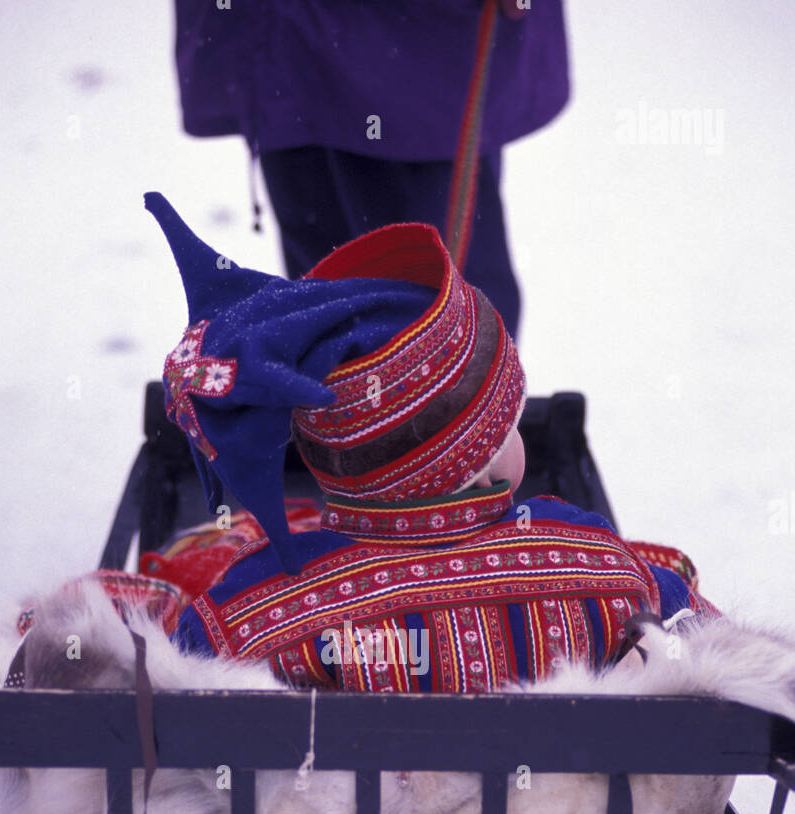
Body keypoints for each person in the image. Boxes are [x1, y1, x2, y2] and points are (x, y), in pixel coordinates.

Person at [140, 192, 716, 693]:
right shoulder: (605, 571)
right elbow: (707, 642)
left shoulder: (250, 615)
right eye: (508, 424)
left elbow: (171, 684)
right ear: (483, 458)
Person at [171, 0, 571, 337]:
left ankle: (467, 423)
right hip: (278, 46)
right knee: (326, 309)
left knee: (440, 313)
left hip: (407, 54)